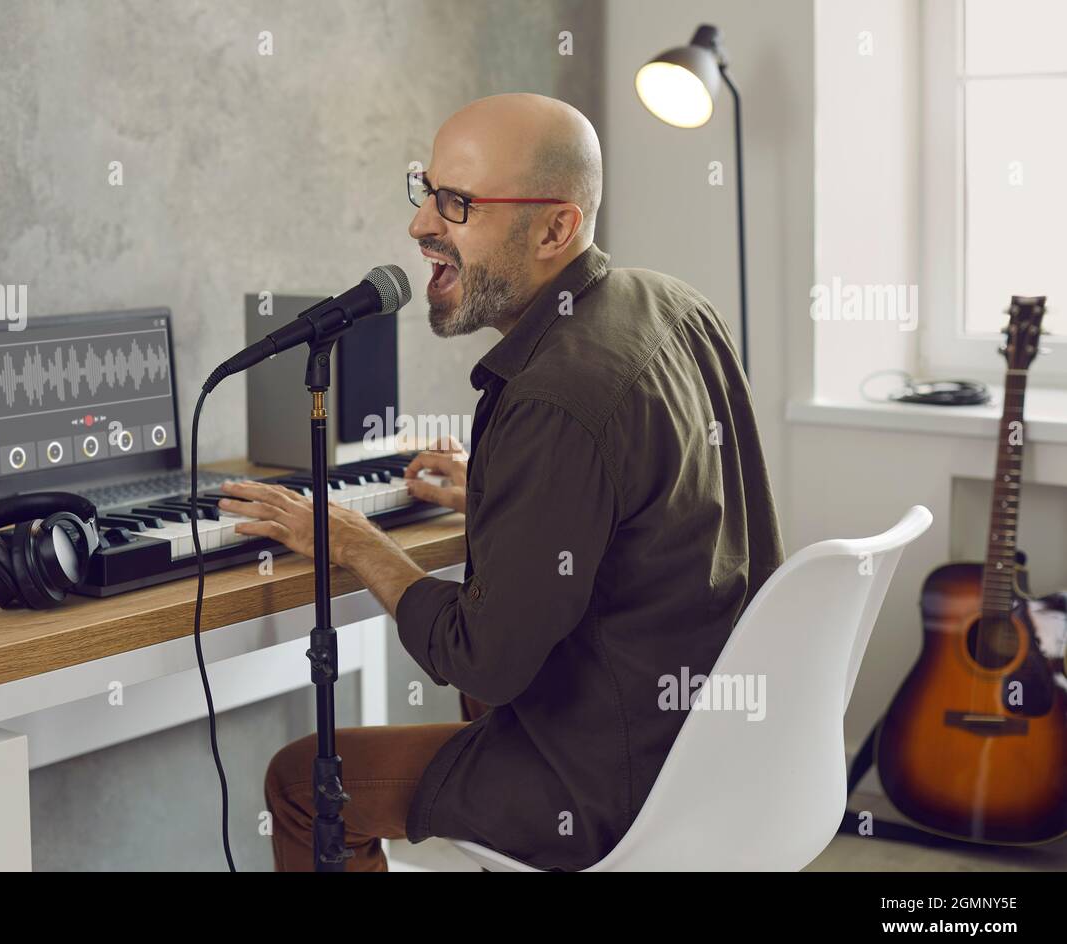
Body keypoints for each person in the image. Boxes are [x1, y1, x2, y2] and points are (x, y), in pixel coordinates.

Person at [218, 93, 784, 871]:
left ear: (556, 227)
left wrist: (349, 539)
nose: (421, 226)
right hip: (710, 742)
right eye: (428, 192)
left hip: (613, 781)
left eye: (458, 204)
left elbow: (480, 657)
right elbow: (649, 494)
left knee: (302, 780)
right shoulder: (671, 304)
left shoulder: (556, 400)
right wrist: (501, 491)